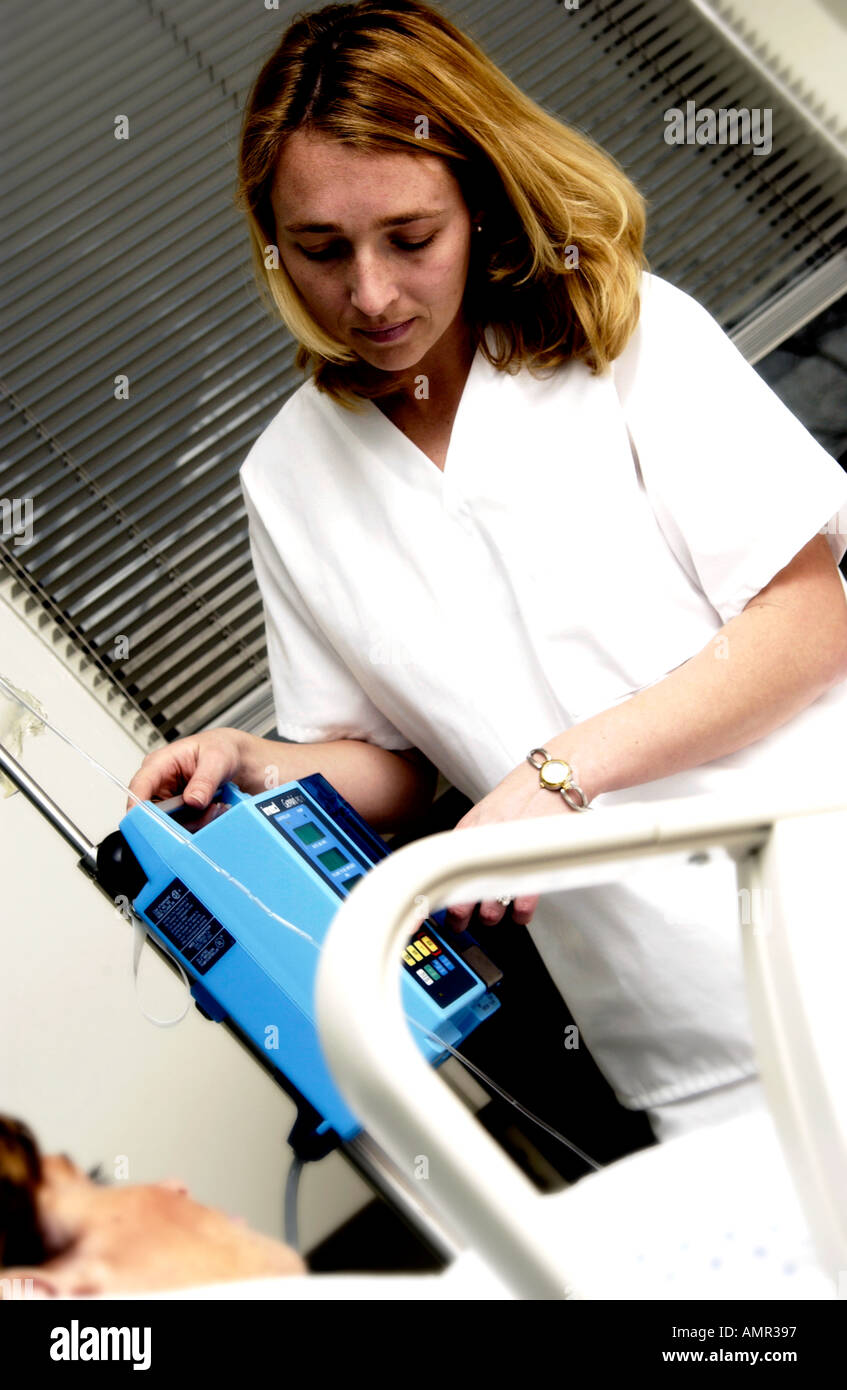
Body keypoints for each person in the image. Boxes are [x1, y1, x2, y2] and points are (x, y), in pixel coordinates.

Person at [129, 0, 847, 1144]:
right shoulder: (290, 477)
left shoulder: (622, 335)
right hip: (681, 1034)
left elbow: (804, 629)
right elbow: (392, 767)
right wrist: (256, 760)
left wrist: (554, 778)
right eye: (320, 250)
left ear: (480, 200)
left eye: (410, 239)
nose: (368, 296)